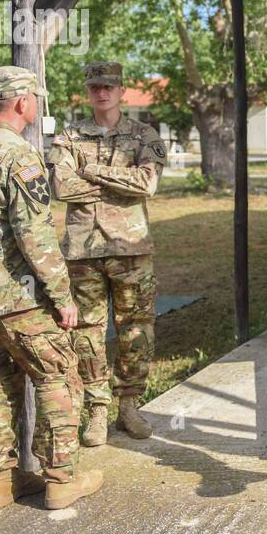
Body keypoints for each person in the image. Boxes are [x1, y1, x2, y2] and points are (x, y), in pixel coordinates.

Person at [0, 67, 103, 512]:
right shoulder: (19, 156)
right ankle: (60, 481)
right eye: (35, 96)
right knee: (57, 376)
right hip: (19, 297)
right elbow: (35, 236)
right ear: (21, 102)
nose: (37, 104)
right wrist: (63, 296)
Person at [47, 62, 166, 446]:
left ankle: (128, 406)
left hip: (131, 249)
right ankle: (97, 411)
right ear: (87, 90)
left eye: (109, 86)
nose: (102, 93)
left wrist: (92, 171)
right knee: (86, 333)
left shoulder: (144, 134)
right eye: (95, 86)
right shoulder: (69, 136)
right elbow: (60, 187)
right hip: (83, 251)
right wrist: (118, 183)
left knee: (136, 331)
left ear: (122, 90)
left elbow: (147, 183)